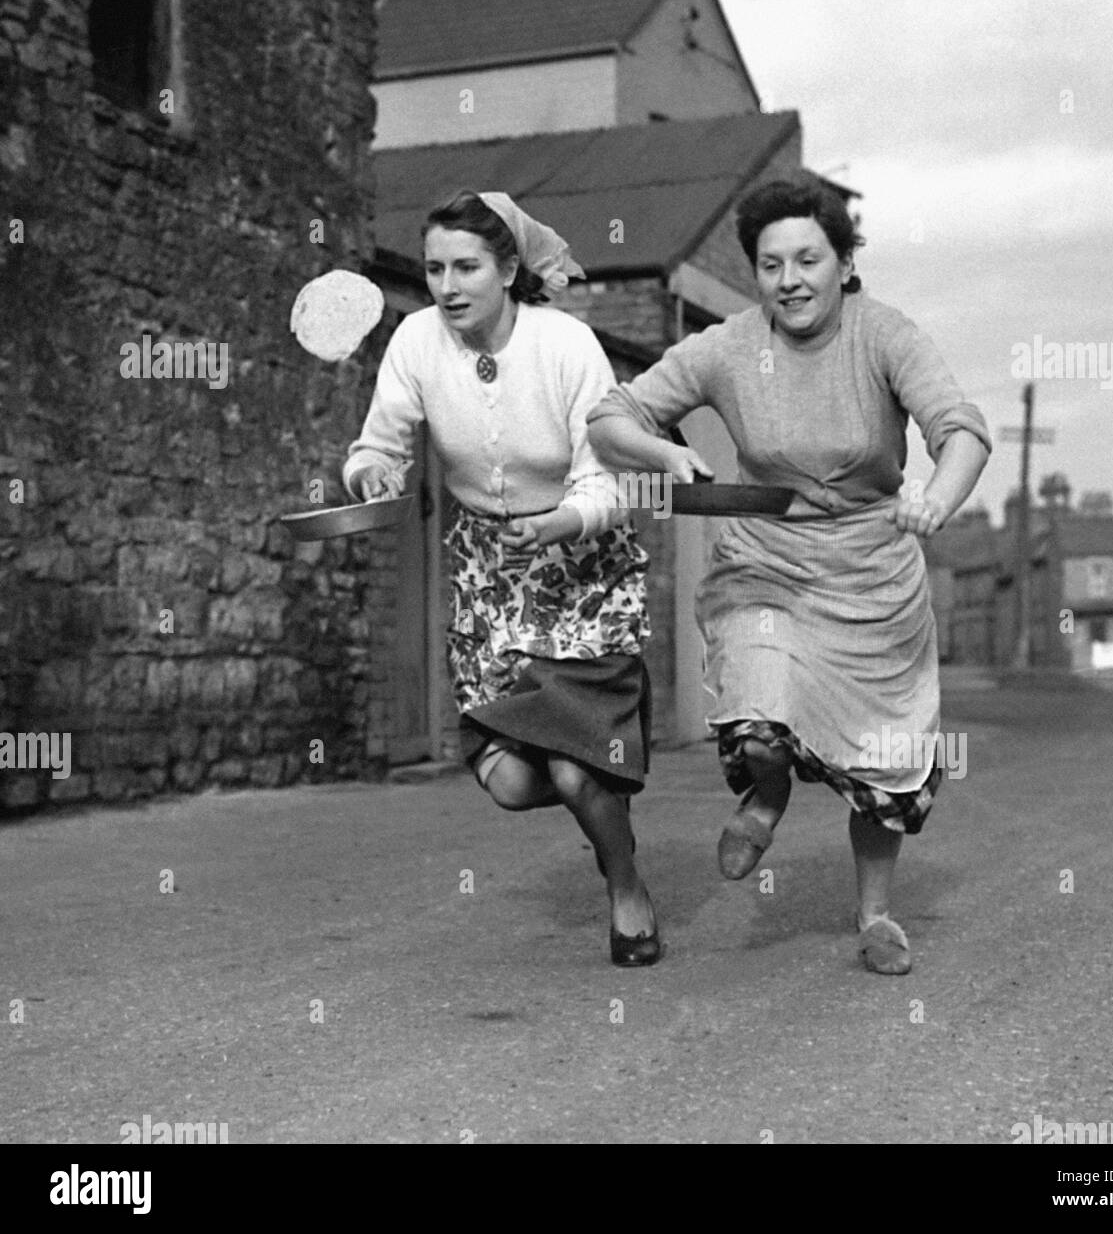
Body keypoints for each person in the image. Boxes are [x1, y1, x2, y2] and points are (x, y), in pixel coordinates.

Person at [587, 173, 990, 975]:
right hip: (766, 561)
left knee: (884, 764)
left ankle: (875, 914)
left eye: (808, 259)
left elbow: (961, 430)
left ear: (843, 263)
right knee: (757, 709)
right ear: (755, 275)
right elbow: (610, 415)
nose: (790, 281)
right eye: (771, 266)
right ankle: (764, 795)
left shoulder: (884, 335)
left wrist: (935, 501)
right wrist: (663, 449)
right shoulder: (730, 346)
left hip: (873, 571)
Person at [344, 190, 661, 967]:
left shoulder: (566, 343)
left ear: (508, 268)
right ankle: (605, 784)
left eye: (467, 267)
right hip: (486, 577)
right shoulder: (416, 341)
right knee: (515, 784)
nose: (447, 286)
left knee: (572, 769)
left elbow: (610, 472)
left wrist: (563, 522)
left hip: (580, 571)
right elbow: (379, 441)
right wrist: (371, 474)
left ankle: (626, 887)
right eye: (433, 269)